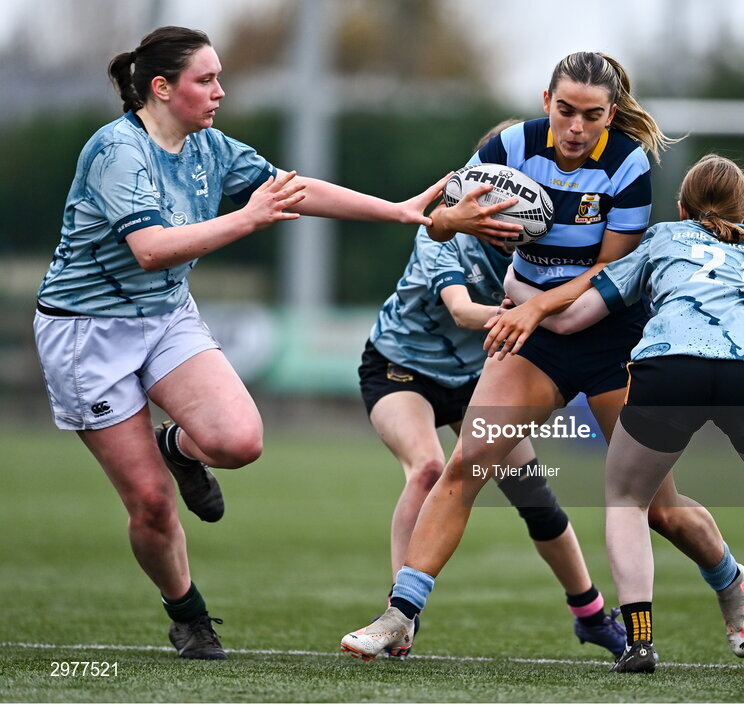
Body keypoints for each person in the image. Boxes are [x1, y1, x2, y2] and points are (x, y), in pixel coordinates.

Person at [32, 26, 454, 661]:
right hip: (87, 331)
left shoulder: (207, 146)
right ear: (161, 88)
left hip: (166, 315)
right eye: (206, 80)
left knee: (240, 441)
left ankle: (174, 443)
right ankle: (190, 615)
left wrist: (397, 211)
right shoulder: (118, 150)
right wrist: (247, 218)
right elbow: (150, 251)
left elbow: (294, 189)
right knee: (150, 504)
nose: (220, 92)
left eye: (219, 77)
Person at [340, 52, 744, 663]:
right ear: (546, 102)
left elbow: (609, 270)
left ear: (610, 114)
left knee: (660, 509)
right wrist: (449, 220)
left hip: (610, 338)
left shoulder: (627, 163)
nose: (575, 127)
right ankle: (400, 616)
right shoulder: (508, 147)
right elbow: (435, 227)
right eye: (565, 111)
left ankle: (729, 578)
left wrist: (534, 307)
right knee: (465, 468)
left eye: (592, 116)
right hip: (534, 338)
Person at [504, 154, 744, 678]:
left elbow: (572, 320)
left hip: (670, 368)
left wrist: (517, 289)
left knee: (627, 501)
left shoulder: (661, 239)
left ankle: (639, 643)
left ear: (681, 206)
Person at [353, 120, 627, 660]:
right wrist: (529, 313)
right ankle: (400, 616)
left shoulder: (544, 236)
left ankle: (591, 615)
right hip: (401, 369)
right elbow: (461, 310)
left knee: (532, 494)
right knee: (430, 468)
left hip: (481, 372)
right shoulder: (445, 229)